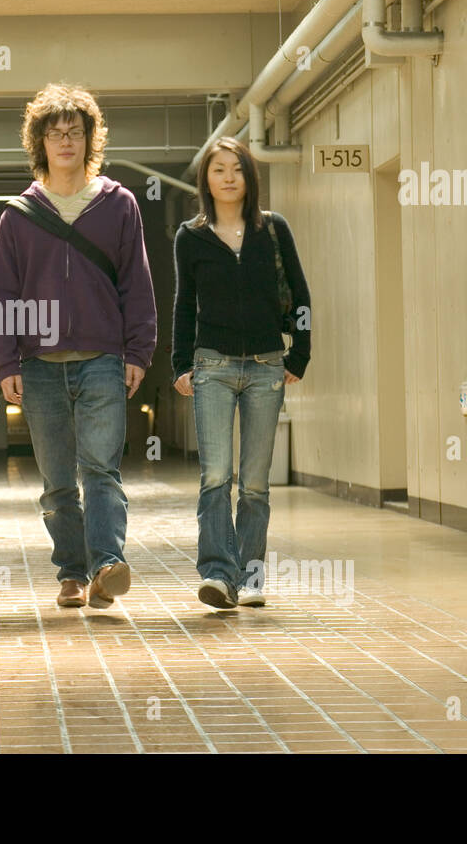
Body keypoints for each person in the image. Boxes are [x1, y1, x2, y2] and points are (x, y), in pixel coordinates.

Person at [0, 83, 157, 609]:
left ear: (89, 140)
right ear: (40, 142)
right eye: (55, 133)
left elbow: (138, 282)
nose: (66, 142)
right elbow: (3, 294)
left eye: (75, 132)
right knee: (57, 479)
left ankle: (107, 564)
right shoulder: (18, 214)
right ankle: (71, 570)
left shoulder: (119, 204)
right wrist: (6, 360)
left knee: (101, 469)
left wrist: (138, 351)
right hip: (38, 367)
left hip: (103, 360)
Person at [172, 137, 311, 609]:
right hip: (211, 364)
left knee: (254, 481)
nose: (228, 177)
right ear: (206, 180)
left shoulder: (273, 230)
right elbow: (183, 305)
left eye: (237, 169)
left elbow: (300, 293)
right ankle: (217, 574)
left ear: (249, 177)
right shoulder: (190, 237)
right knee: (216, 475)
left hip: (267, 367)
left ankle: (250, 578)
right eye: (218, 170)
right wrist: (179, 364)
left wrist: (299, 357)